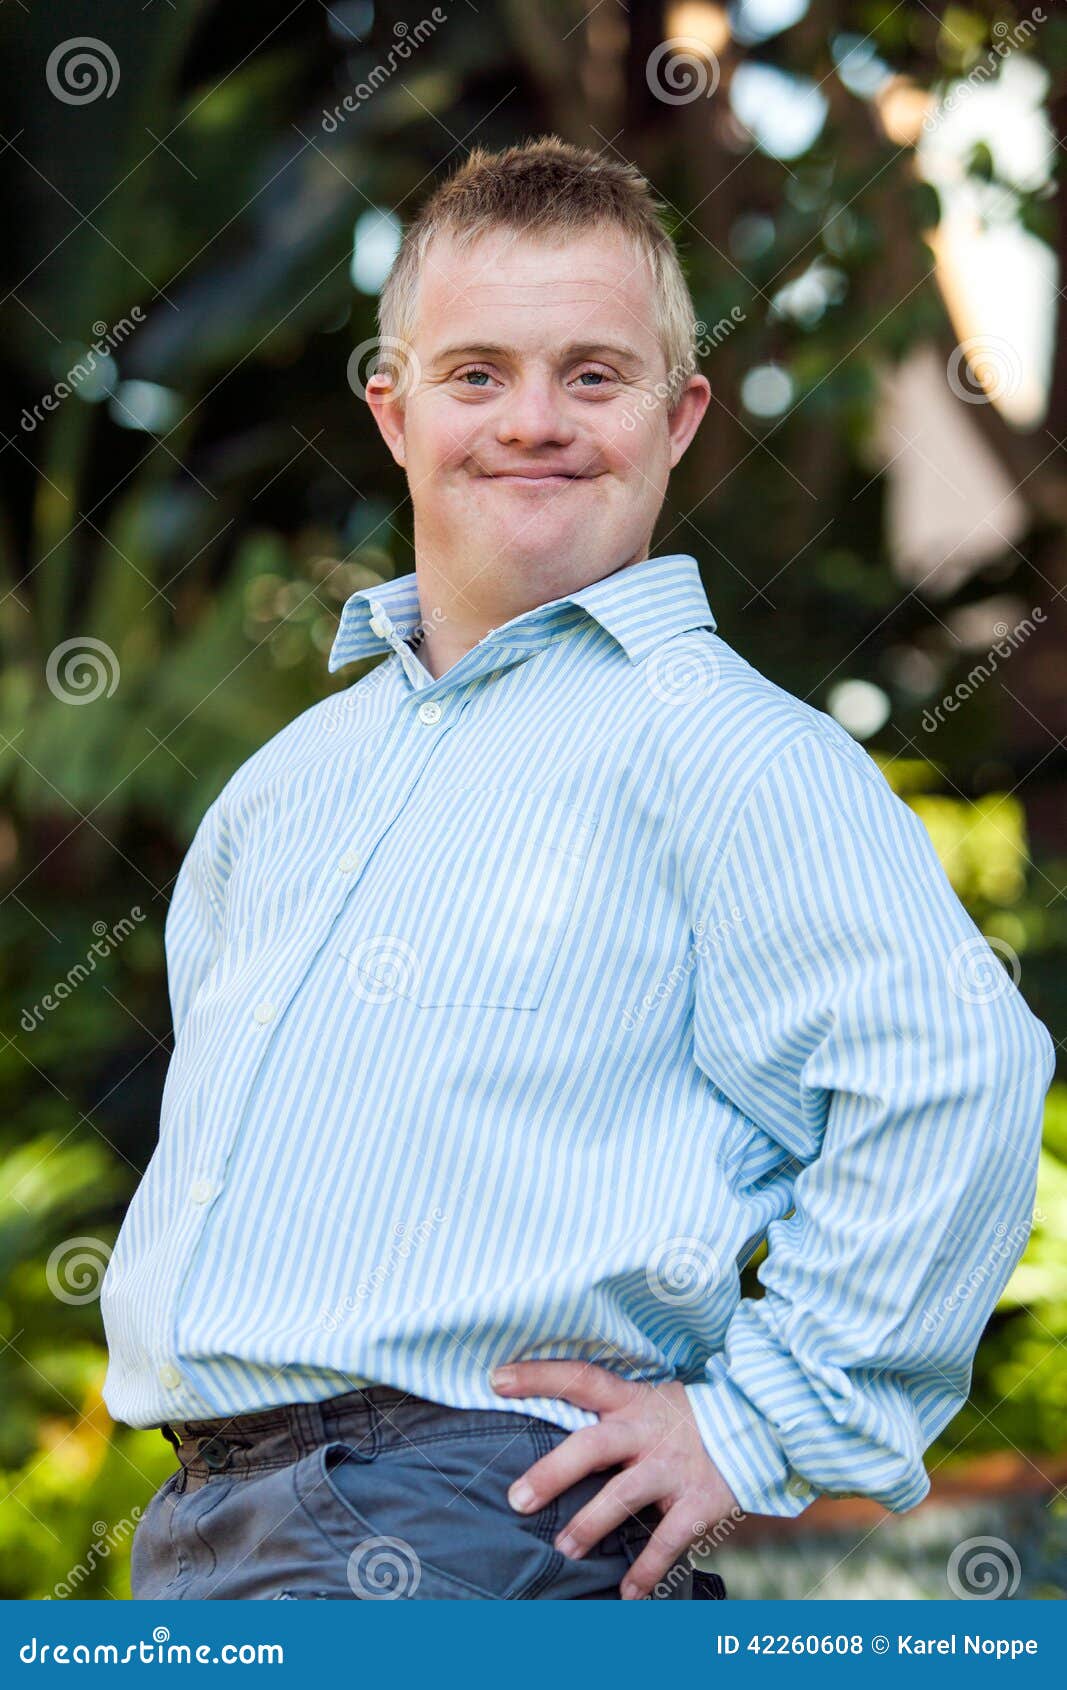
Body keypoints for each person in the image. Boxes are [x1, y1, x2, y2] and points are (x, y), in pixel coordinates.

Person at [103, 137, 1055, 1602]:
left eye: (592, 376)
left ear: (677, 418)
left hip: (487, 1520)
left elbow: (953, 1075)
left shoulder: (733, 753)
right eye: (477, 373)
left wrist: (756, 1422)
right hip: (208, 1520)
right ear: (394, 408)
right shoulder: (281, 790)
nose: (533, 421)